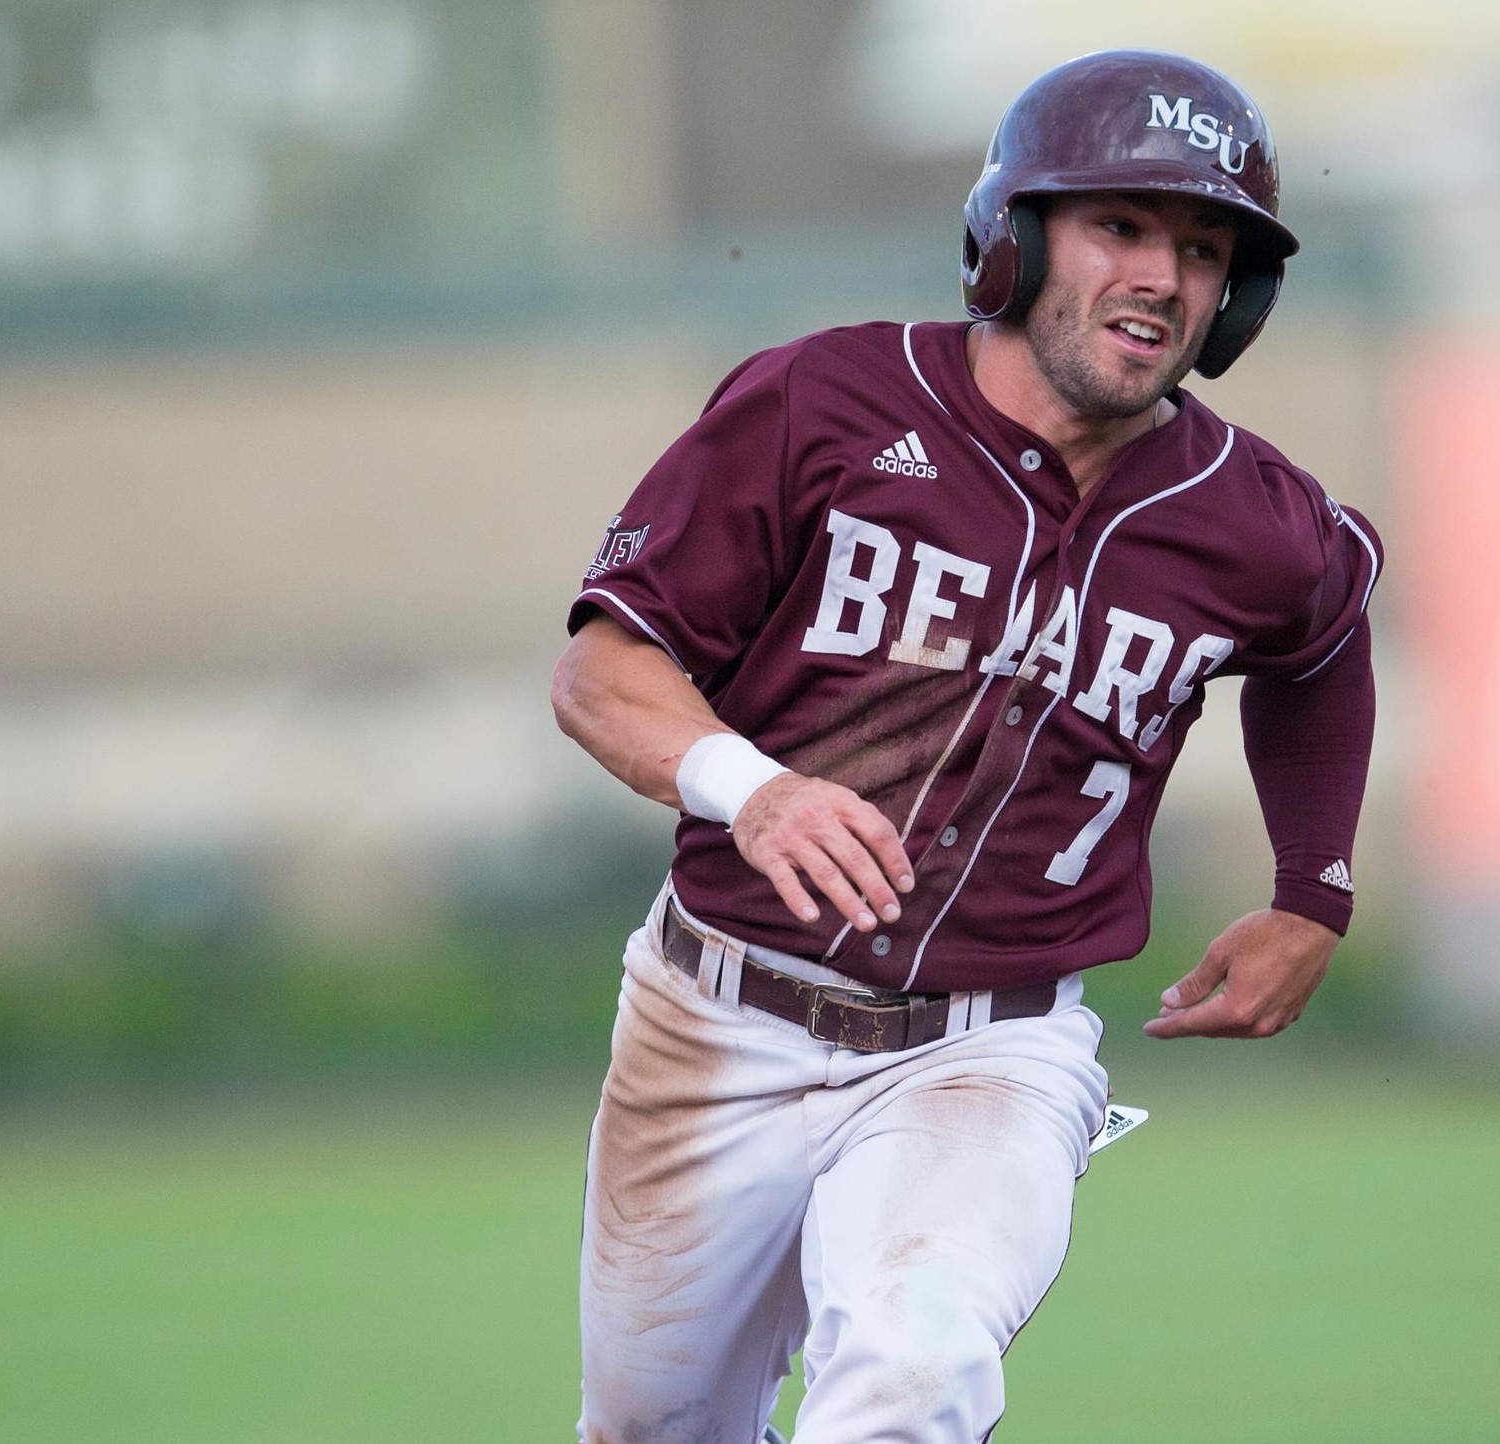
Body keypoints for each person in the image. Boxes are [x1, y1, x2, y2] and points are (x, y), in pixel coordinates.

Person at [550, 48, 1382, 1444]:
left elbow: (1326, 640)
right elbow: (603, 670)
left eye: (1201, 247)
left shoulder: (1250, 519)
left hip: (987, 1058)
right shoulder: (823, 404)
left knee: (917, 1370)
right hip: (714, 1017)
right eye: (1120, 225)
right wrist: (751, 791)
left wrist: (1317, 891)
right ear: (1012, 236)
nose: (1163, 278)